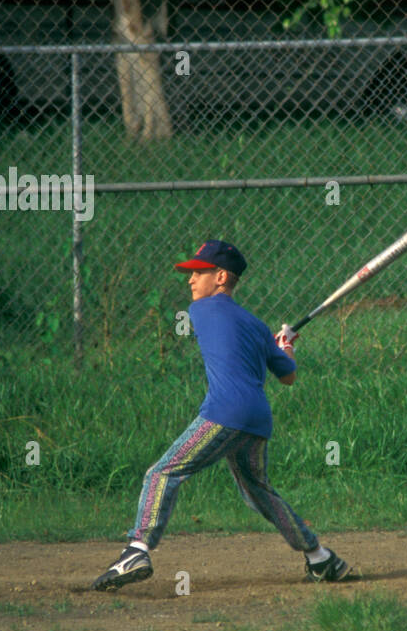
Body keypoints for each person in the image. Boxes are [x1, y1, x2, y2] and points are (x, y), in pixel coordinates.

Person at [92, 240, 357, 589]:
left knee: (162, 472)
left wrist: (274, 342)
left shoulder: (202, 310)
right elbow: (288, 375)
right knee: (258, 491)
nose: (190, 281)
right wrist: (284, 344)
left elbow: (227, 334)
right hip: (257, 419)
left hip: (224, 412)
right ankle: (321, 558)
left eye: (198, 273)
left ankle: (137, 549)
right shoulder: (256, 324)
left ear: (220, 277)